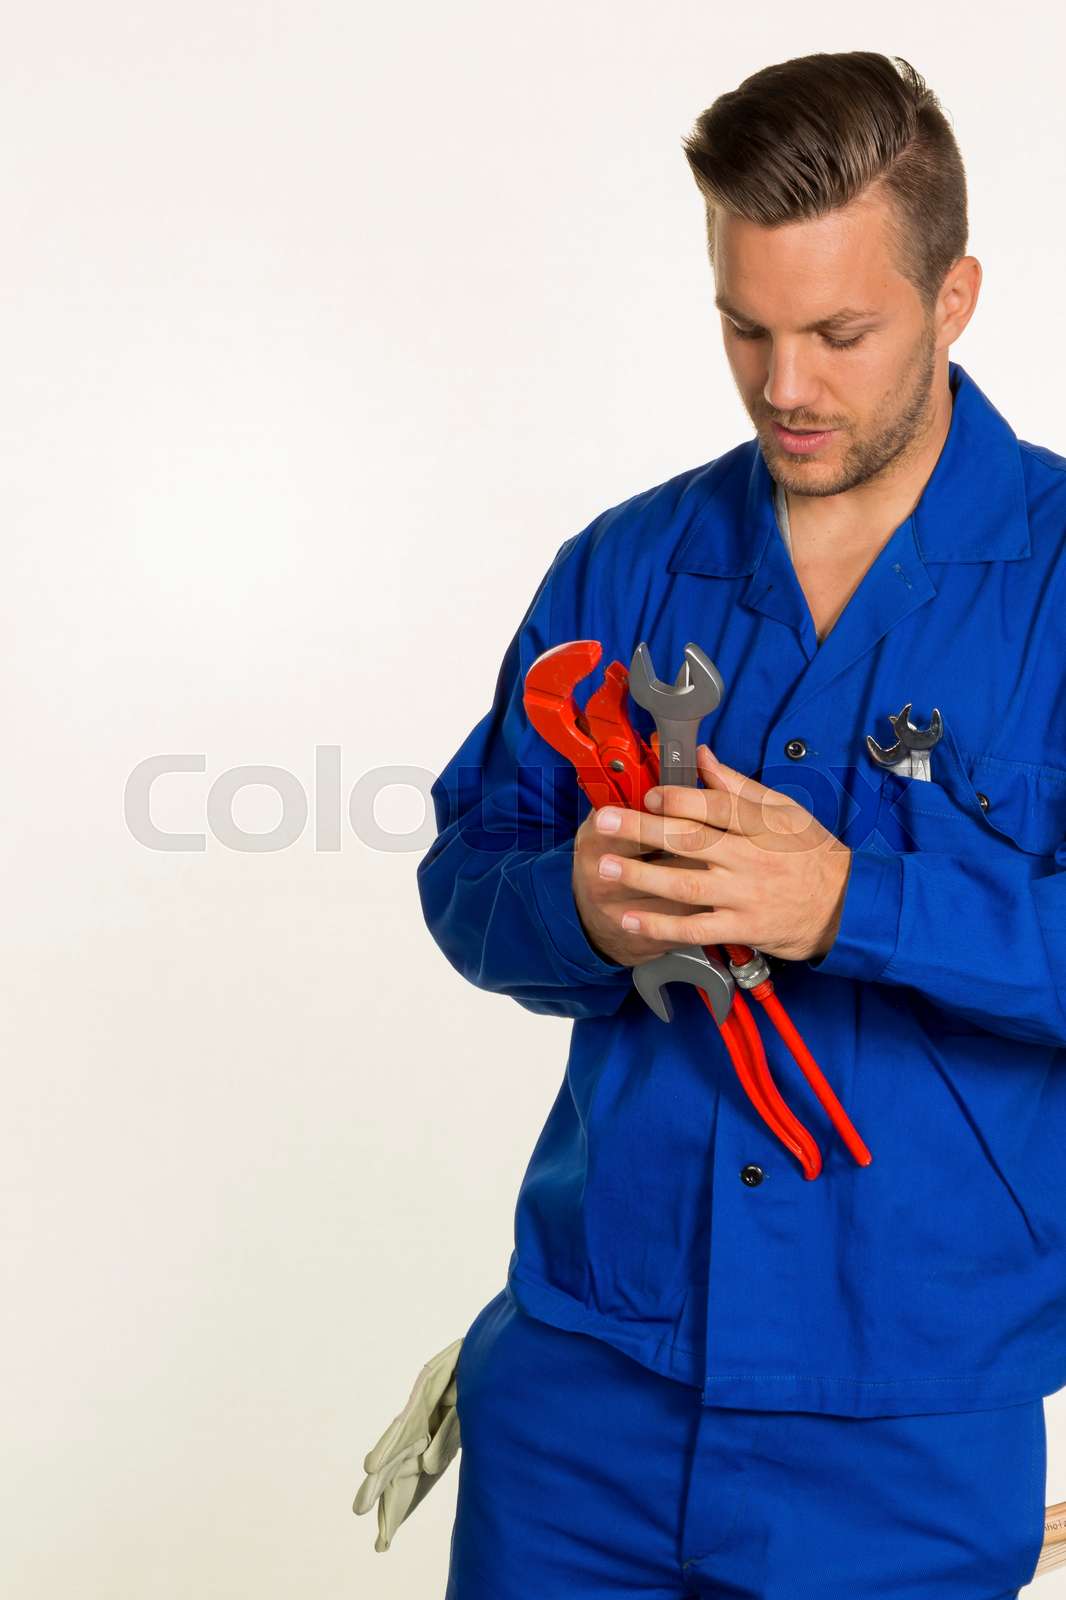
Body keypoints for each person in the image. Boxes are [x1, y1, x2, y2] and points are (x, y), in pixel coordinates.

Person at [418, 51, 1063, 1598]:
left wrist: (852, 903)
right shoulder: (622, 564)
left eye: (841, 333)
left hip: (904, 1423)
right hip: (581, 1390)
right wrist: (575, 906)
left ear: (952, 296)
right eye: (744, 328)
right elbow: (464, 873)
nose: (786, 385)